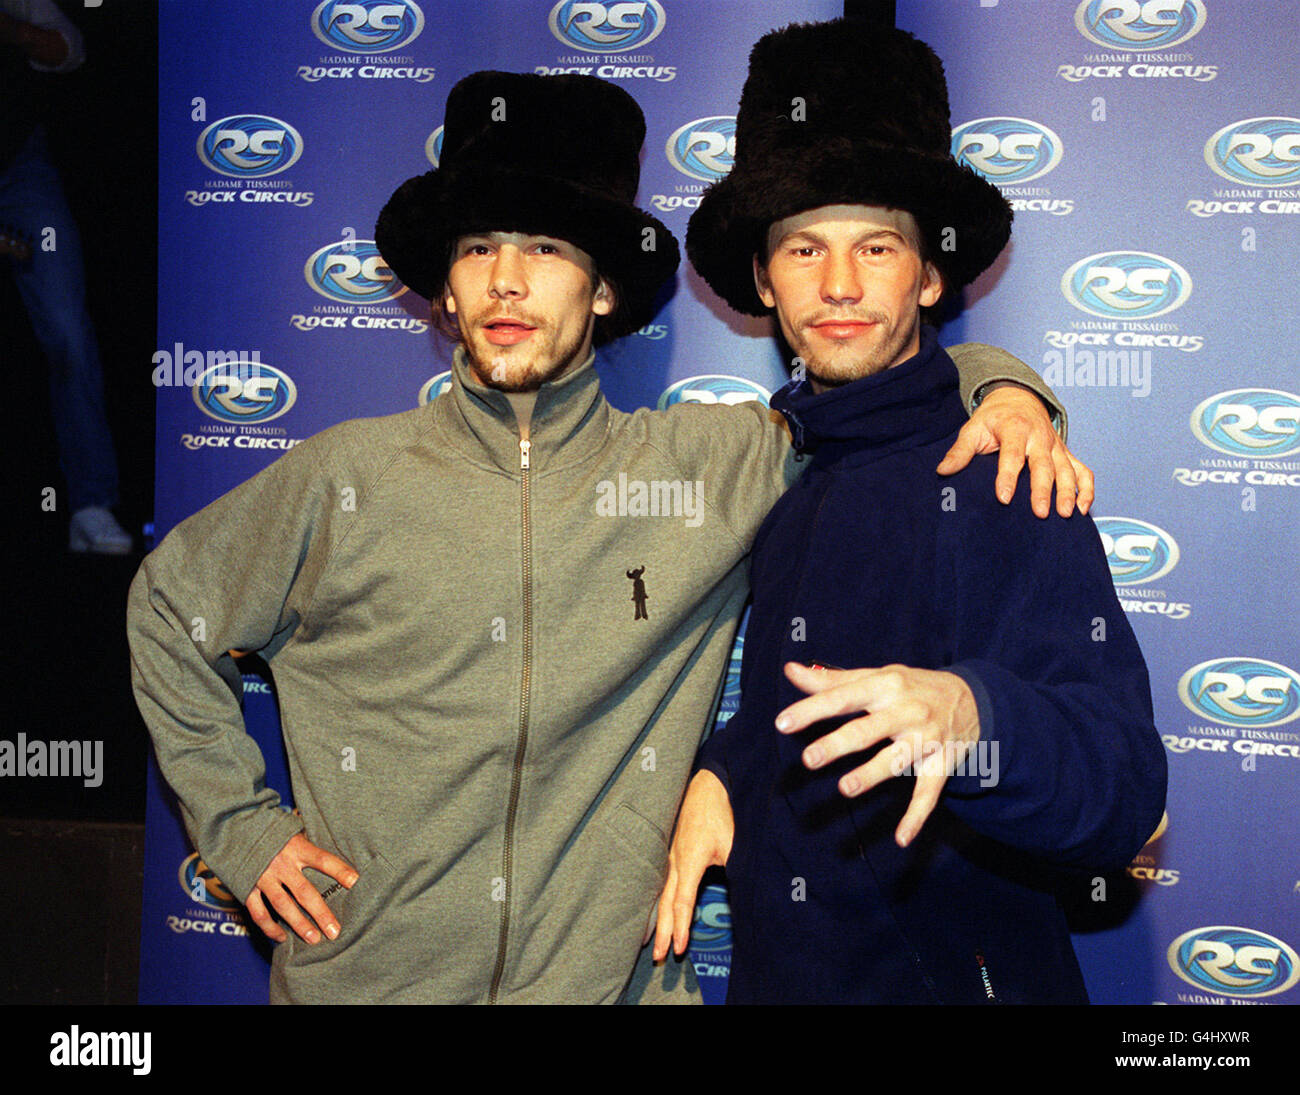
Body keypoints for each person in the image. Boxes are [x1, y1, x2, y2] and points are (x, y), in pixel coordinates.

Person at [129, 69, 1085, 1004]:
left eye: (544, 248)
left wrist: (1003, 387)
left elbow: (874, 380)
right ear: (445, 291)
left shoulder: (716, 467)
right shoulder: (344, 478)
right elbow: (170, 604)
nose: (505, 281)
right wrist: (241, 829)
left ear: (602, 291)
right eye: (476, 249)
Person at [655, 20, 1167, 1003]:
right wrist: (726, 770)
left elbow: (1126, 788)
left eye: (875, 246)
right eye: (803, 248)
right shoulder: (788, 479)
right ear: (763, 281)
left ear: (929, 274)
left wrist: (973, 716)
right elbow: (802, 709)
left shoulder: (1003, 469)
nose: (838, 284)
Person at [1, 0, 130, 552]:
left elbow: (67, 49)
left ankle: (89, 506)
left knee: (66, 328)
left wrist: (10, 28)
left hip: (17, 167)